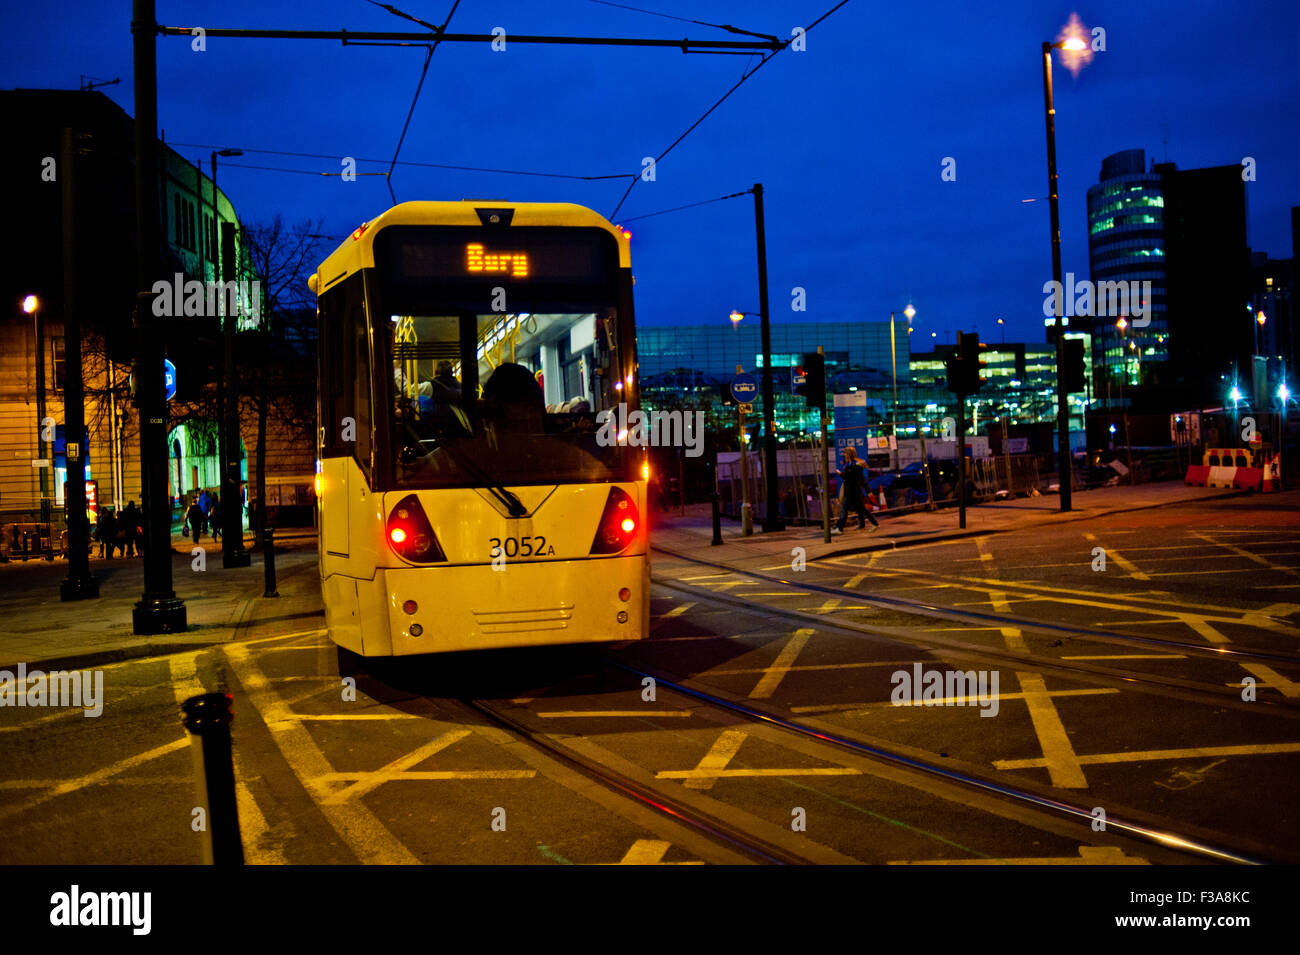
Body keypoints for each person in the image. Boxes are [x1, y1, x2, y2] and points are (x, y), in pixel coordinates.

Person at [834, 447, 879, 534]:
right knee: (861, 509)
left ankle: (839, 528)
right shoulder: (850, 464)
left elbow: (850, 477)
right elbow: (856, 478)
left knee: (844, 509)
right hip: (852, 492)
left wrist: (840, 474)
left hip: (853, 492)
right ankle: (874, 523)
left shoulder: (855, 466)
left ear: (850, 454)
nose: (844, 454)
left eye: (846, 453)